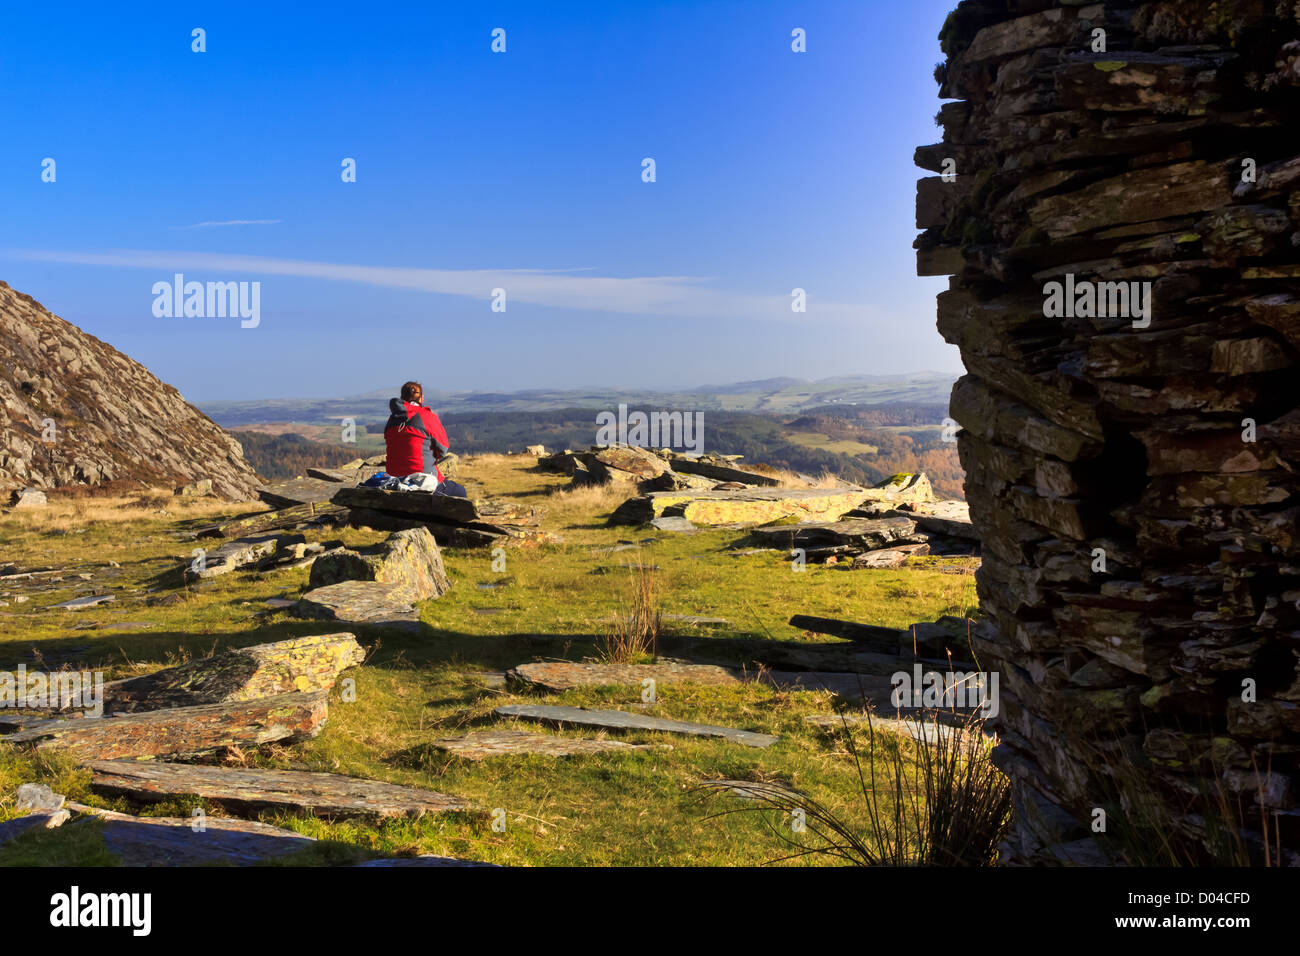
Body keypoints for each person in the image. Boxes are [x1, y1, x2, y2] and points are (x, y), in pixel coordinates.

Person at [383, 381, 467, 497]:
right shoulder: (427, 416)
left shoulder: (391, 420)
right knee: (460, 492)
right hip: (423, 481)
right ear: (421, 398)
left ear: (402, 398)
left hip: (394, 481)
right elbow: (443, 449)